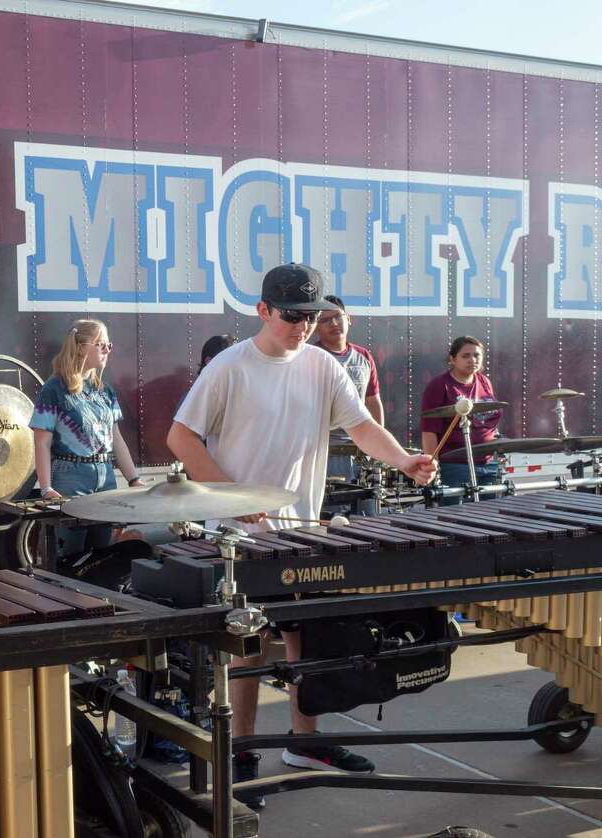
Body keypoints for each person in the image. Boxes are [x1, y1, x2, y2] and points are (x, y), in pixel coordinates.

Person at [166, 263, 435, 808]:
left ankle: (304, 742)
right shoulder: (229, 366)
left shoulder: (322, 366)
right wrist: (233, 501)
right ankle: (241, 749)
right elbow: (180, 437)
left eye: (311, 317)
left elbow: (361, 426)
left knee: (306, 640)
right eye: (293, 316)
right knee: (245, 646)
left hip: (298, 530)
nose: (304, 327)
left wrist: (405, 459)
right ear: (262, 310)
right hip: (238, 536)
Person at [31, 319, 143, 557]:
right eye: (101, 344)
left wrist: (133, 479)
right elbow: (41, 441)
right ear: (81, 347)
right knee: (68, 556)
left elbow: (117, 439)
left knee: (101, 555)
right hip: (71, 477)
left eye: (109, 345)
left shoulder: (105, 391)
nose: (107, 350)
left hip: (105, 477)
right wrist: (46, 488)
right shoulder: (54, 389)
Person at [313, 295, 383, 491]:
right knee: (335, 516)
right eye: (325, 320)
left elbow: (373, 402)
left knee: (367, 513)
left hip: (362, 449)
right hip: (326, 450)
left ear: (349, 318)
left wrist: (376, 445)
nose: (334, 324)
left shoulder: (364, 356)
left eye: (338, 316)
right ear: (316, 327)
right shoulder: (311, 357)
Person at [420, 336, 503, 492]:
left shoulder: (484, 381)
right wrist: (433, 467)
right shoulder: (439, 385)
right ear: (452, 359)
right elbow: (429, 431)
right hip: (455, 465)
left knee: (490, 513)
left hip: (489, 463)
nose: (472, 360)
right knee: (459, 515)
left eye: (476, 355)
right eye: (466, 356)